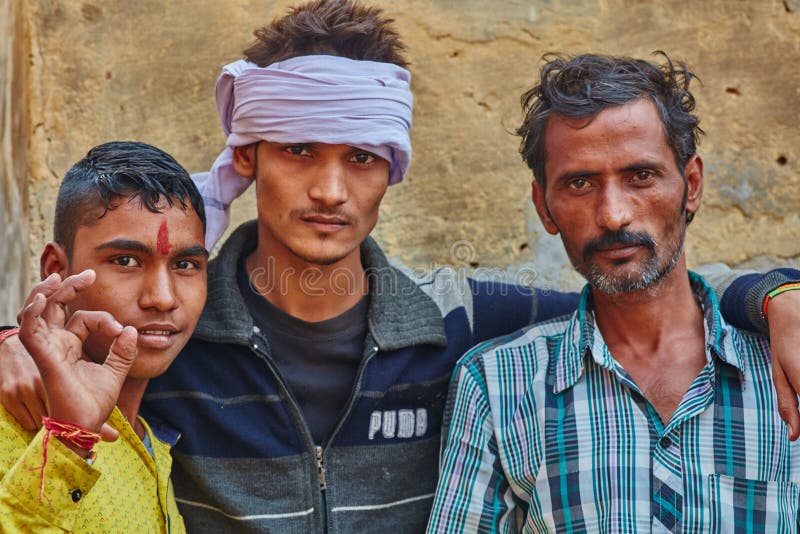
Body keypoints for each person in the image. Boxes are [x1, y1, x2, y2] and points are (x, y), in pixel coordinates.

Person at [1, 2, 798, 532]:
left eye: (361, 157)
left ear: (393, 169)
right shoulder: (170, 329)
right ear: (247, 156)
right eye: (298, 150)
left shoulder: (461, 325)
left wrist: (774, 296)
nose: (329, 190)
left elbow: (634, 293)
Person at [427, 52, 800, 533]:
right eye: (580, 183)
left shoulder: (784, 364)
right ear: (544, 207)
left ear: (691, 185)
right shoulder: (498, 385)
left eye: (640, 176)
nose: (613, 215)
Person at [0, 141, 208, 532]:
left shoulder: (157, 441)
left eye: (185, 264)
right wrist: (68, 442)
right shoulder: (12, 419)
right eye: (125, 261)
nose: (163, 298)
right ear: (56, 269)